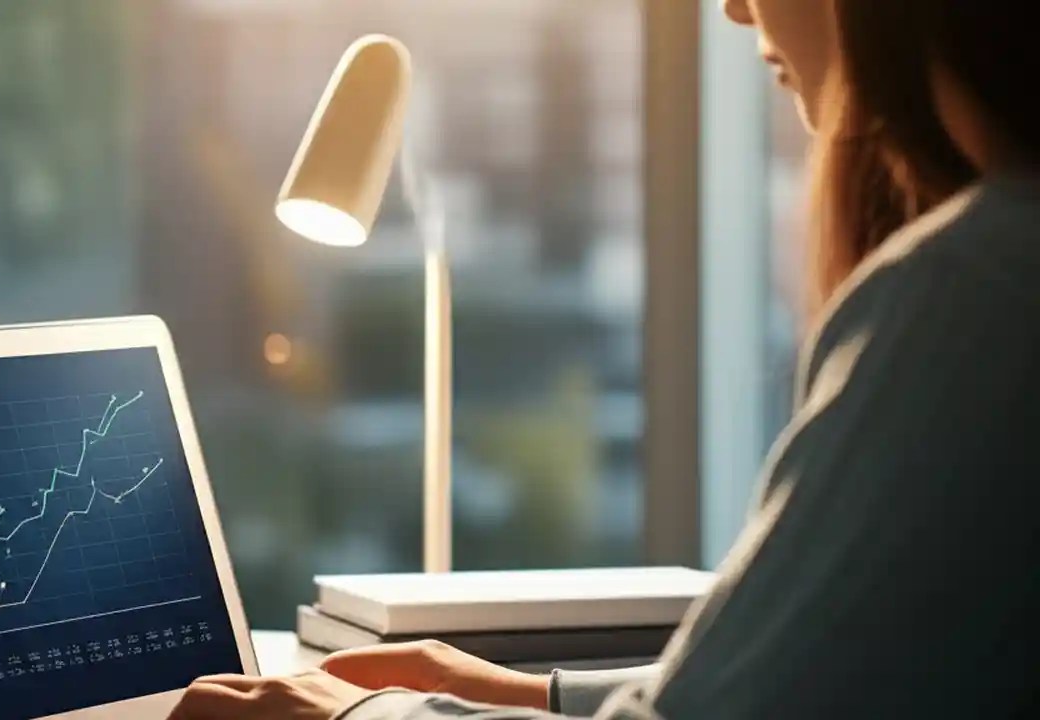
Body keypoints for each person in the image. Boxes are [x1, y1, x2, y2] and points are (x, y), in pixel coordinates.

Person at [171, 0, 1040, 717]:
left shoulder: (970, 293)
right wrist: (528, 694)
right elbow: (825, 687)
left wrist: (352, 717)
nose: (734, 11)